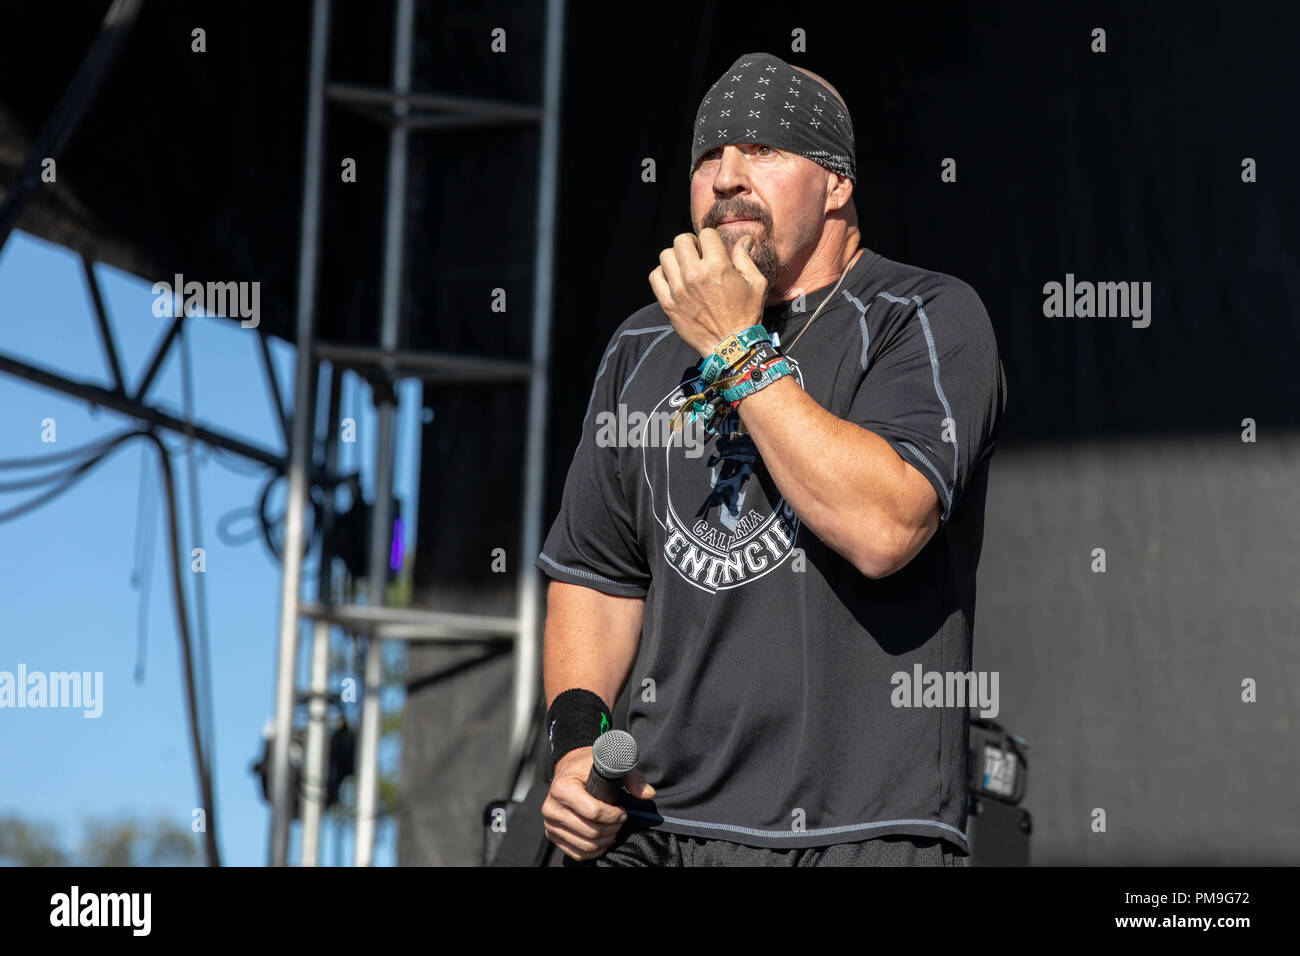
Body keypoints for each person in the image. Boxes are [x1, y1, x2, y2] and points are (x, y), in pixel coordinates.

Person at [536, 51, 1007, 867]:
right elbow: (594, 575)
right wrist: (579, 740)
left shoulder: (922, 316)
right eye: (708, 157)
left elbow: (886, 525)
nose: (725, 178)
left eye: (763, 151)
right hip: (657, 831)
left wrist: (734, 348)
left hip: (857, 832)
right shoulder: (641, 346)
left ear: (836, 184)